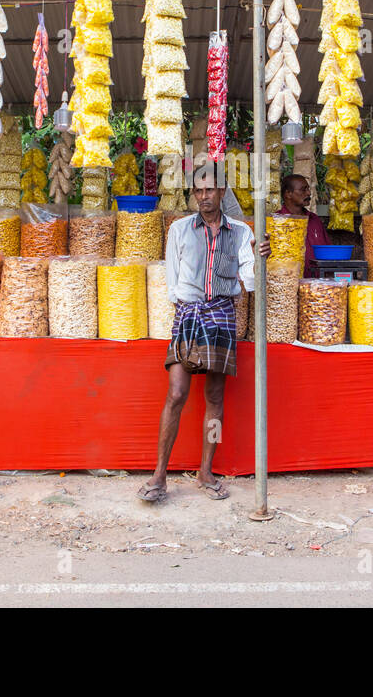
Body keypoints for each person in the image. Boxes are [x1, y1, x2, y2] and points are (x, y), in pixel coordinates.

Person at [137, 167, 270, 503]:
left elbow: (249, 283)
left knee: (214, 398)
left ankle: (206, 470)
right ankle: (159, 475)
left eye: (210, 190)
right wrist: (183, 305)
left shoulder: (240, 232)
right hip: (189, 314)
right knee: (177, 393)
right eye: (198, 191)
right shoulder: (180, 230)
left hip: (222, 314)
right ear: (193, 194)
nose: (204, 196)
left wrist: (258, 258)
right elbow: (172, 276)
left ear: (222, 191)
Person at [276, 173, 329, 277]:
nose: (308, 193)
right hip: (287, 285)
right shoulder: (276, 221)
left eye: (308, 189)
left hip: (316, 287)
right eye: (303, 189)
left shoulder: (314, 220)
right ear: (288, 194)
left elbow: (327, 251)